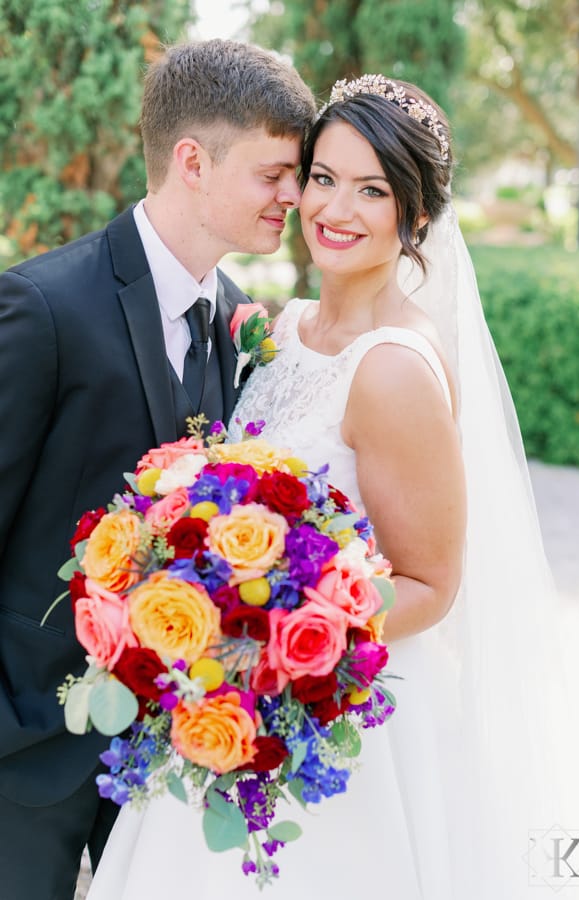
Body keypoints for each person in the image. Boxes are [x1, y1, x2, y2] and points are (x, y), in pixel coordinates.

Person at [88, 76, 579, 899]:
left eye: (373, 190)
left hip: (333, 716)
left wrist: (271, 634)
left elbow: (431, 584)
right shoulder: (280, 328)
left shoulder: (393, 368)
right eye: (322, 177)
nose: (335, 208)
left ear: (417, 216)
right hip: (231, 700)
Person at [0, 38, 315, 900]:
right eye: (273, 173)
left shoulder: (229, 319)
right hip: (22, 759)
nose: (293, 195)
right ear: (192, 162)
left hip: (159, 761)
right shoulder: (44, 306)